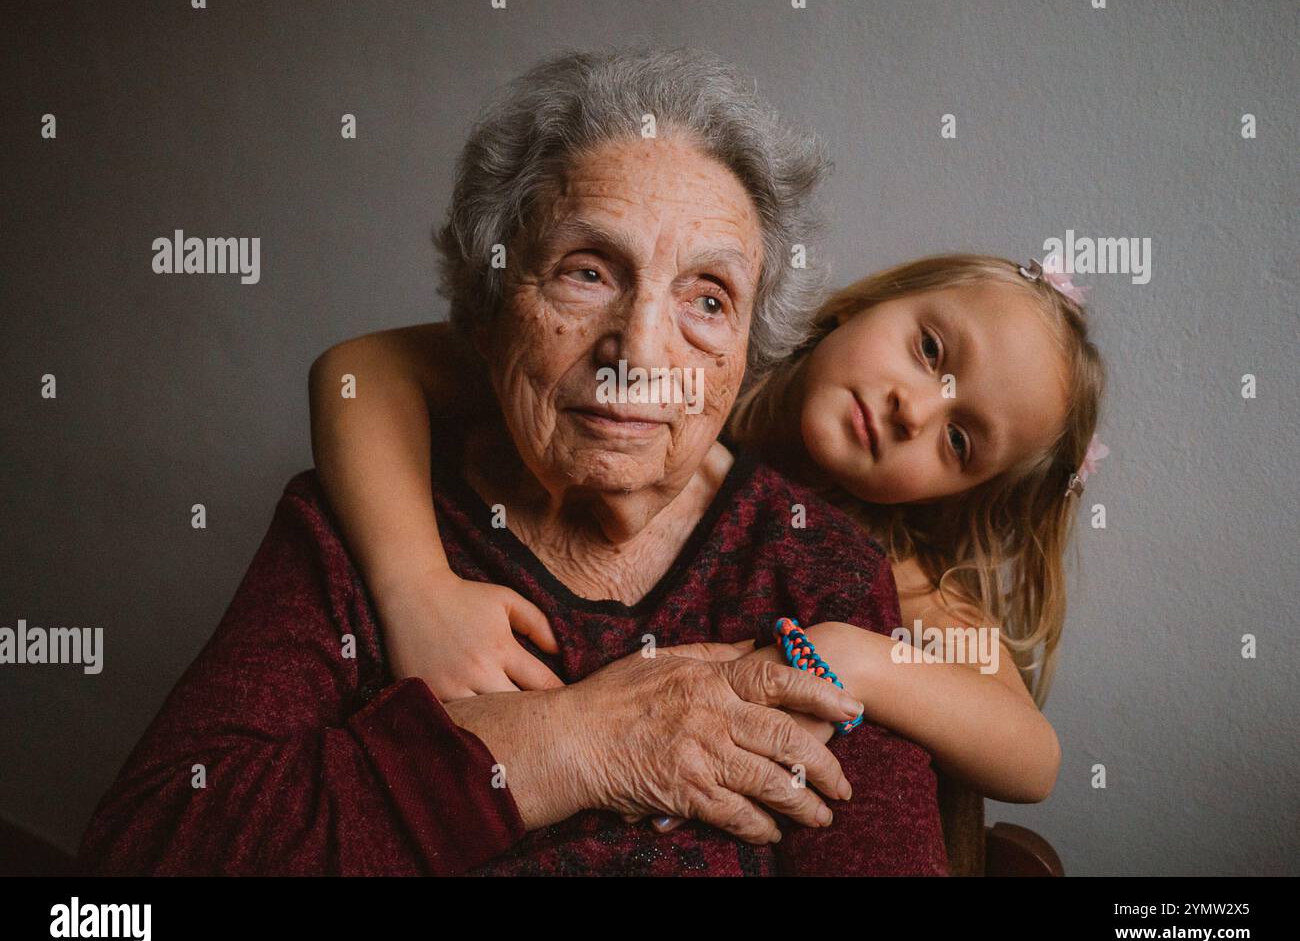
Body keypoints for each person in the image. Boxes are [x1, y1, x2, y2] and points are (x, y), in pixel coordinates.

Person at [78, 45, 950, 876]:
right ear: (489, 305)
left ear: (746, 359)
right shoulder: (367, 526)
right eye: (586, 272)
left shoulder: (815, 573)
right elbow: (139, 861)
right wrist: (562, 743)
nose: (639, 351)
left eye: (708, 298)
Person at [308, 251, 1106, 810]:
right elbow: (357, 371)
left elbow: (1032, 756)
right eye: (929, 349)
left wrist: (857, 655)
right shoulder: (686, 352)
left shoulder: (888, 568)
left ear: (955, 494)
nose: (914, 408)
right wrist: (415, 588)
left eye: (959, 440)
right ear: (867, 304)